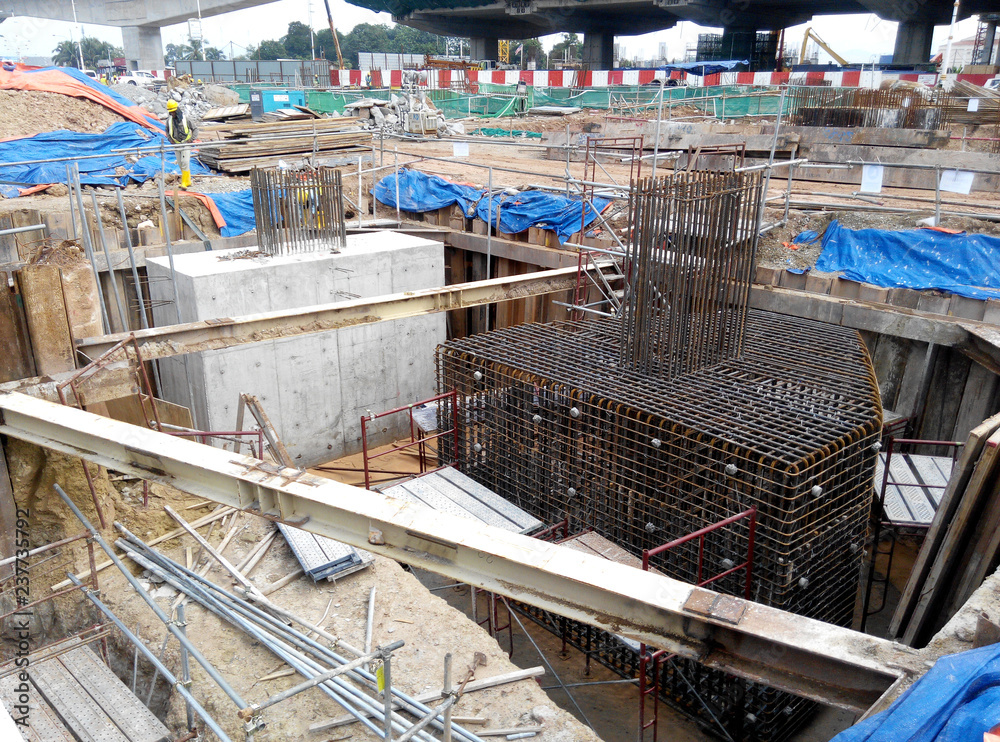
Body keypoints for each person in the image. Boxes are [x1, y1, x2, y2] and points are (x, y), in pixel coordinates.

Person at [165, 99, 193, 189]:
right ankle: (188, 180)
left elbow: (195, 129)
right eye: (171, 112)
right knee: (181, 163)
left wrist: (191, 139)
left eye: (173, 112)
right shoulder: (169, 120)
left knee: (185, 162)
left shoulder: (185, 119)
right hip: (176, 145)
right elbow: (167, 130)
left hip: (185, 143)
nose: (172, 114)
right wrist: (170, 139)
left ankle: (184, 182)